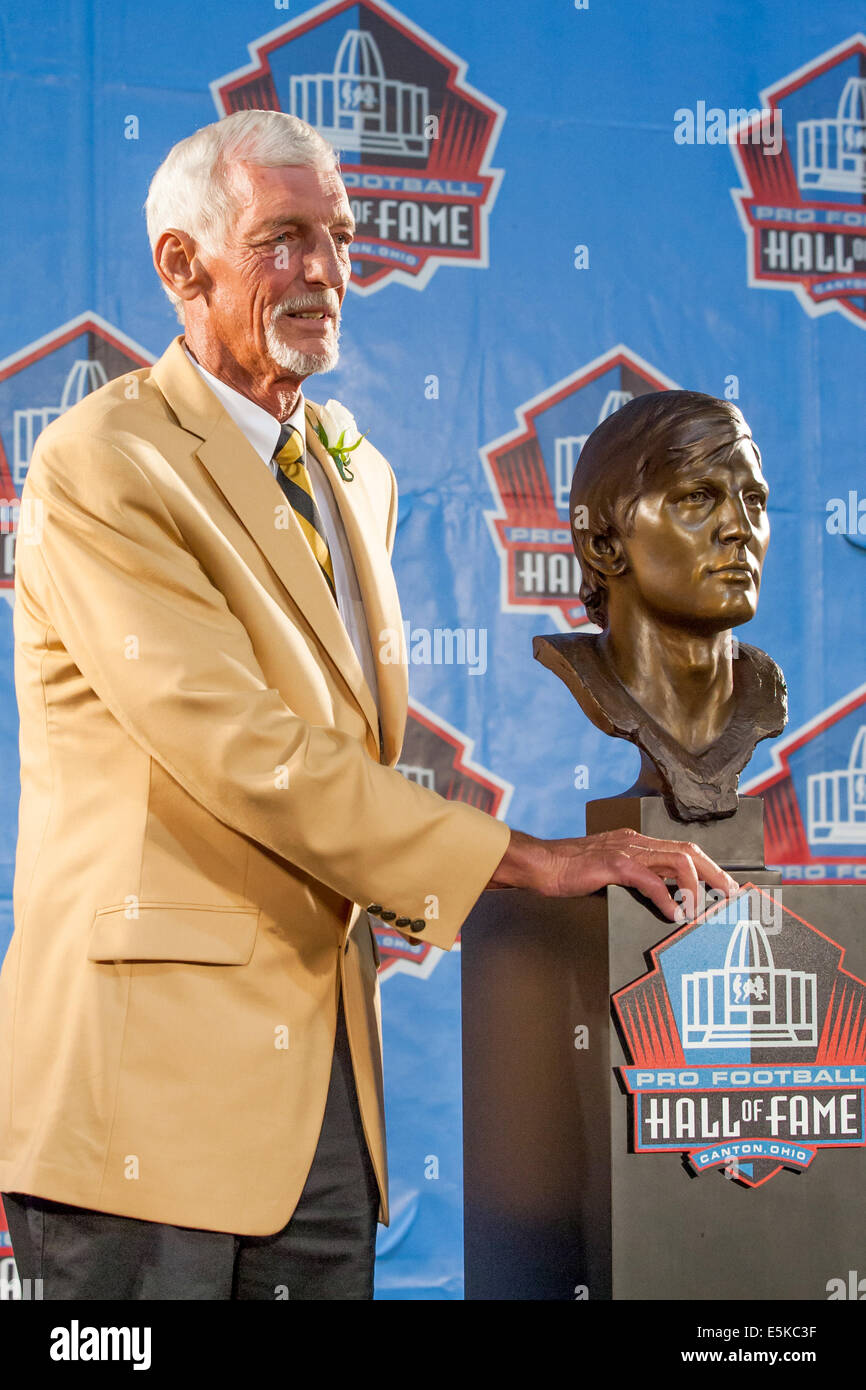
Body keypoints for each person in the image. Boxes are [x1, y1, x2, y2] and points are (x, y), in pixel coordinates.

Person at [0, 111, 736, 1301]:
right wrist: (529, 861)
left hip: (328, 1099)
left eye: (338, 237)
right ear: (181, 266)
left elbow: (330, 752)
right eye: (281, 239)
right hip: (141, 1108)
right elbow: (243, 751)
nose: (326, 271)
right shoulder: (104, 462)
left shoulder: (355, 469)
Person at [534, 390, 787, 819]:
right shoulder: (588, 672)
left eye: (754, 500)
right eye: (698, 497)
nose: (739, 529)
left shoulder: (765, 691)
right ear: (605, 545)